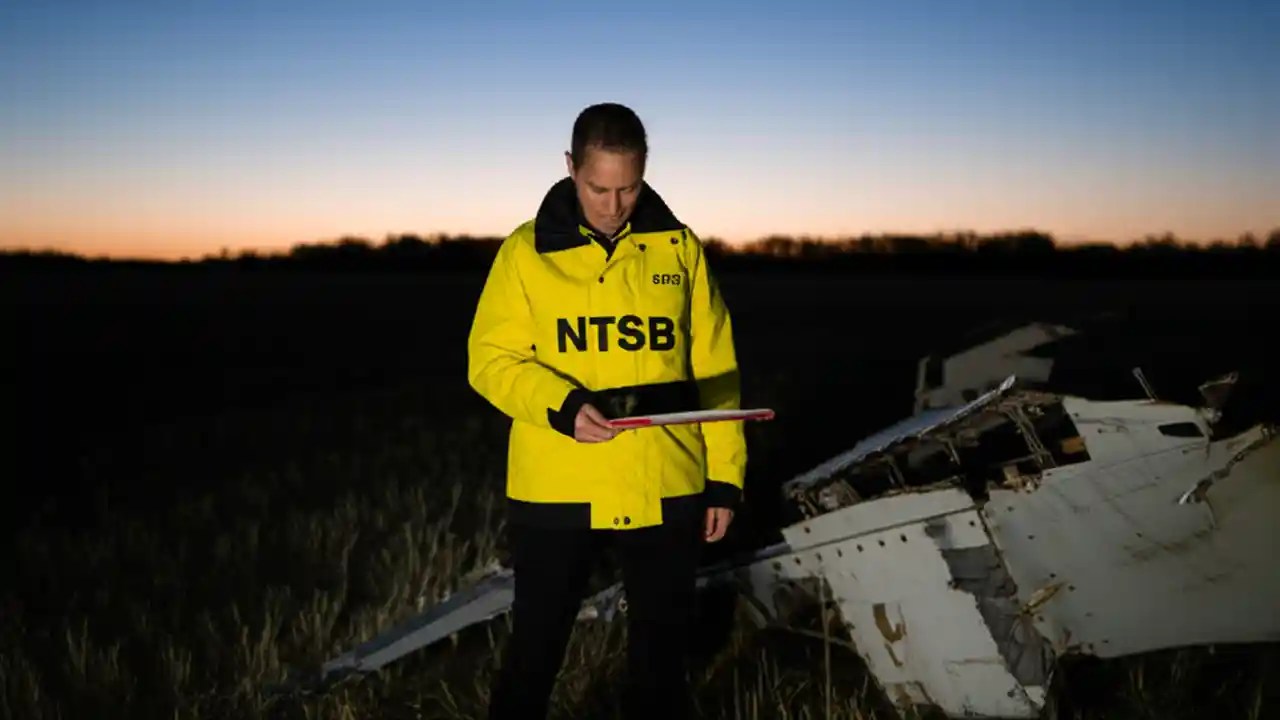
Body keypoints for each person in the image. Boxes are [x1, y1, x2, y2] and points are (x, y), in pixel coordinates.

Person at [467, 102, 747, 719]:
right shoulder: (525, 253)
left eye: (628, 188)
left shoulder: (680, 250)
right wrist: (562, 406)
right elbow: (488, 362)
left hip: (666, 481)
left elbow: (718, 375)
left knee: (661, 658)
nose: (613, 204)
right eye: (598, 187)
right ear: (570, 168)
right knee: (535, 651)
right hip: (558, 482)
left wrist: (724, 478)